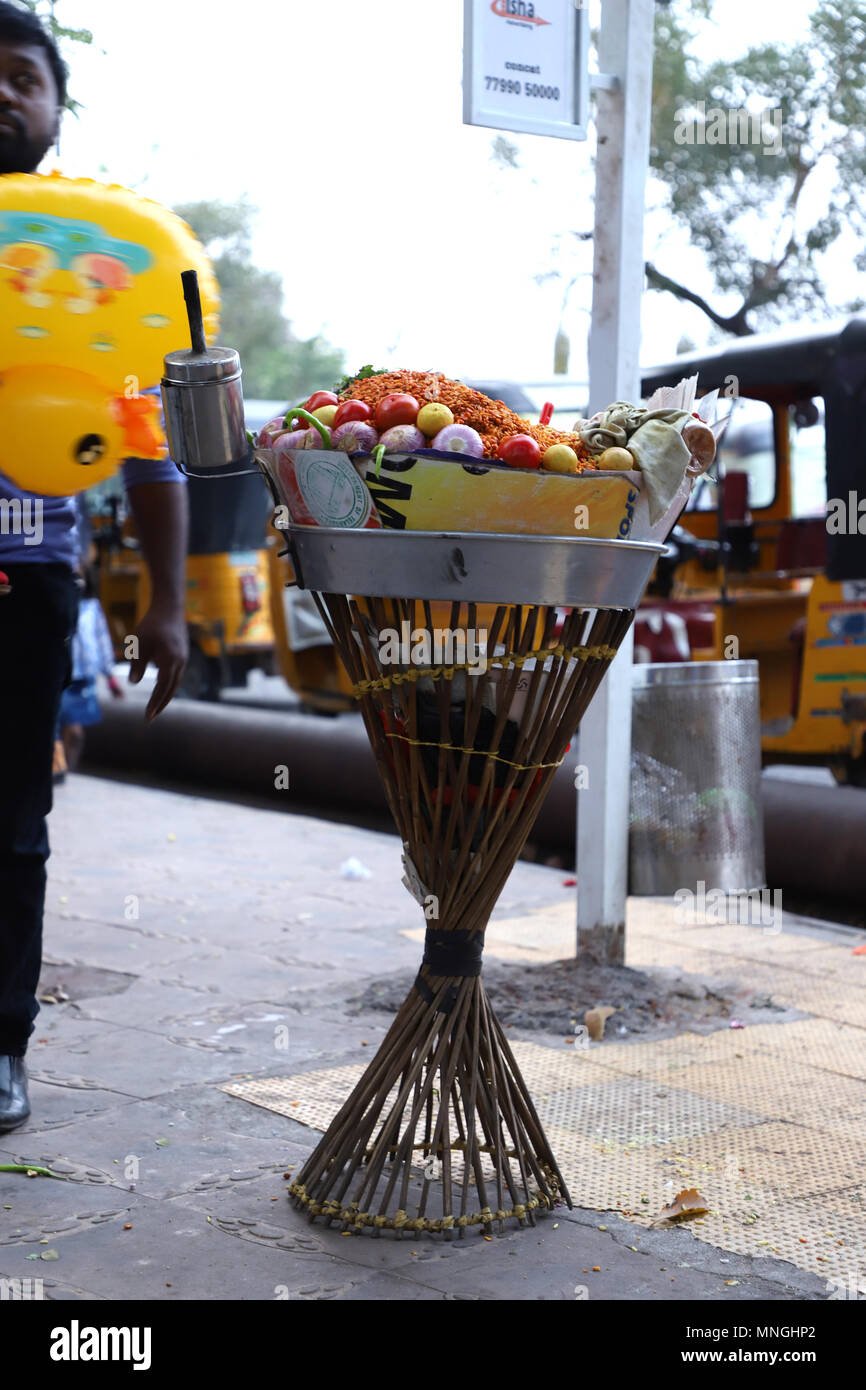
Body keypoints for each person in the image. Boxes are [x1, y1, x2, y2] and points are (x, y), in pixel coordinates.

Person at [0, 4, 189, 1131]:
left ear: (57, 110)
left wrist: (166, 607)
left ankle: (2, 1047)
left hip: (26, 587)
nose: (3, 92)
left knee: (12, 823)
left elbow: (153, 451)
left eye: (23, 75)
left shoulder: (97, 273)